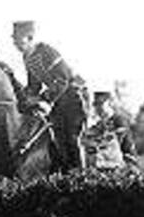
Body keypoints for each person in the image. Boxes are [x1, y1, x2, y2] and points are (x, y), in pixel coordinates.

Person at [11, 20, 90, 172]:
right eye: (14, 38)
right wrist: (23, 98)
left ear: (29, 37)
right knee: (56, 137)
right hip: (59, 98)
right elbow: (34, 85)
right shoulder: (27, 57)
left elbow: (63, 79)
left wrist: (46, 99)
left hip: (75, 94)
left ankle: (82, 174)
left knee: (72, 137)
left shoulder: (46, 51)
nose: (14, 42)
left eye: (17, 38)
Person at [85, 87, 140, 169]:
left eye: (101, 103)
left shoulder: (119, 122)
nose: (97, 108)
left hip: (119, 170)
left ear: (110, 103)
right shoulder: (97, 127)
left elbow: (128, 150)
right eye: (95, 104)